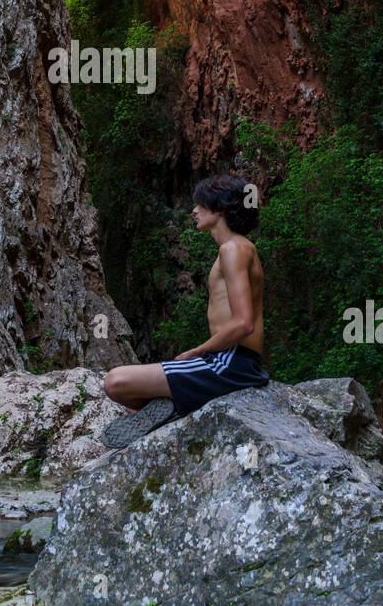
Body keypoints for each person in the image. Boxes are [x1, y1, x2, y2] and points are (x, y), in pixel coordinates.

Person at [101, 173, 270, 450]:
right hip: (231, 362)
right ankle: (174, 408)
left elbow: (243, 324)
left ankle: (175, 408)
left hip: (231, 364)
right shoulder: (236, 248)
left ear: (220, 207)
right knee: (119, 384)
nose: (194, 210)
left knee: (115, 382)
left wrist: (196, 352)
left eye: (201, 204)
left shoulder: (233, 249)